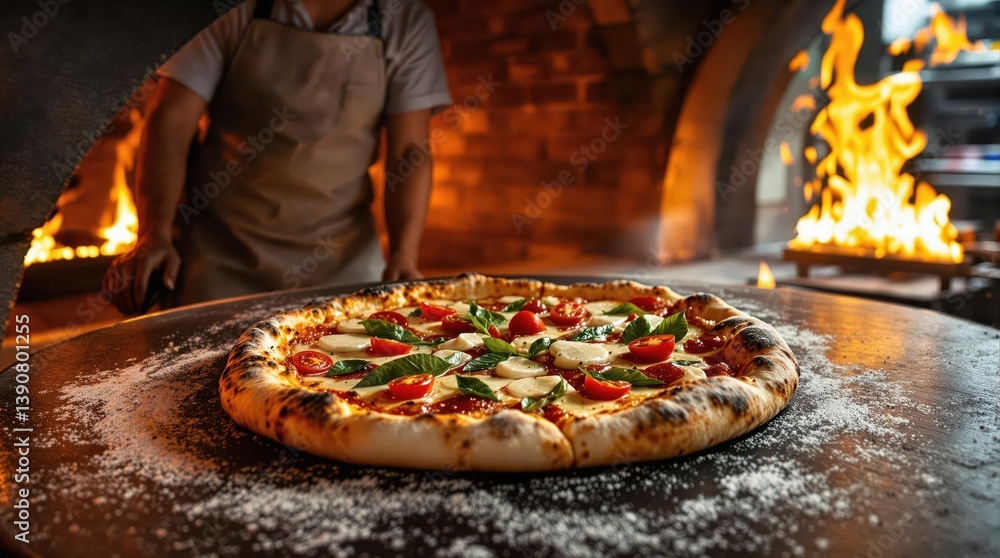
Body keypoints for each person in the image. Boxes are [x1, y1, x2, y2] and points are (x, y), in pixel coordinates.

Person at [105, 0, 450, 313]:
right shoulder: (227, 10)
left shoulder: (405, 20)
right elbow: (171, 122)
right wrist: (154, 232)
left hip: (344, 265)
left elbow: (409, 152)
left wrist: (404, 254)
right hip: (218, 262)